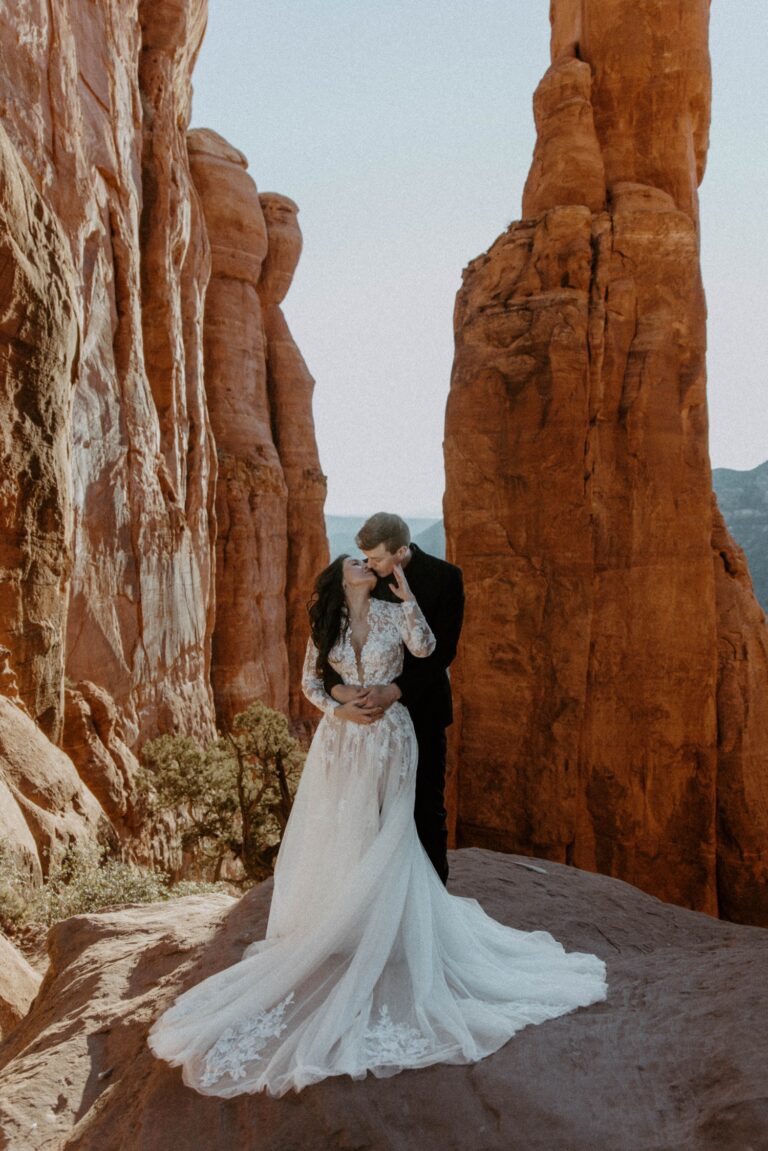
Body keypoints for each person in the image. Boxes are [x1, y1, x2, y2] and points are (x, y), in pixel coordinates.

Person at [146, 553, 608, 1098]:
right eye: (355, 562)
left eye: (370, 560)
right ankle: (345, 922)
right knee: (343, 827)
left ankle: (387, 928)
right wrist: (339, 705)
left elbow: (429, 652)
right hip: (341, 741)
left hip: (392, 736)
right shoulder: (330, 623)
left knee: (391, 830)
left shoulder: (393, 612)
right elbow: (310, 683)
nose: (366, 563)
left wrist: (410, 598)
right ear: (342, 581)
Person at [325, 512, 463, 885]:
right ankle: (373, 892)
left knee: (426, 805)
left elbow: (442, 652)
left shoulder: (446, 578)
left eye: (377, 558)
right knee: (370, 809)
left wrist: (396, 690)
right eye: (365, 558)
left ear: (401, 551)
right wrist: (342, 696)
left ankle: (432, 894)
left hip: (423, 710)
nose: (369, 566)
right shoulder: (370, 580)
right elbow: (335, 648)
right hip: (370, 720)